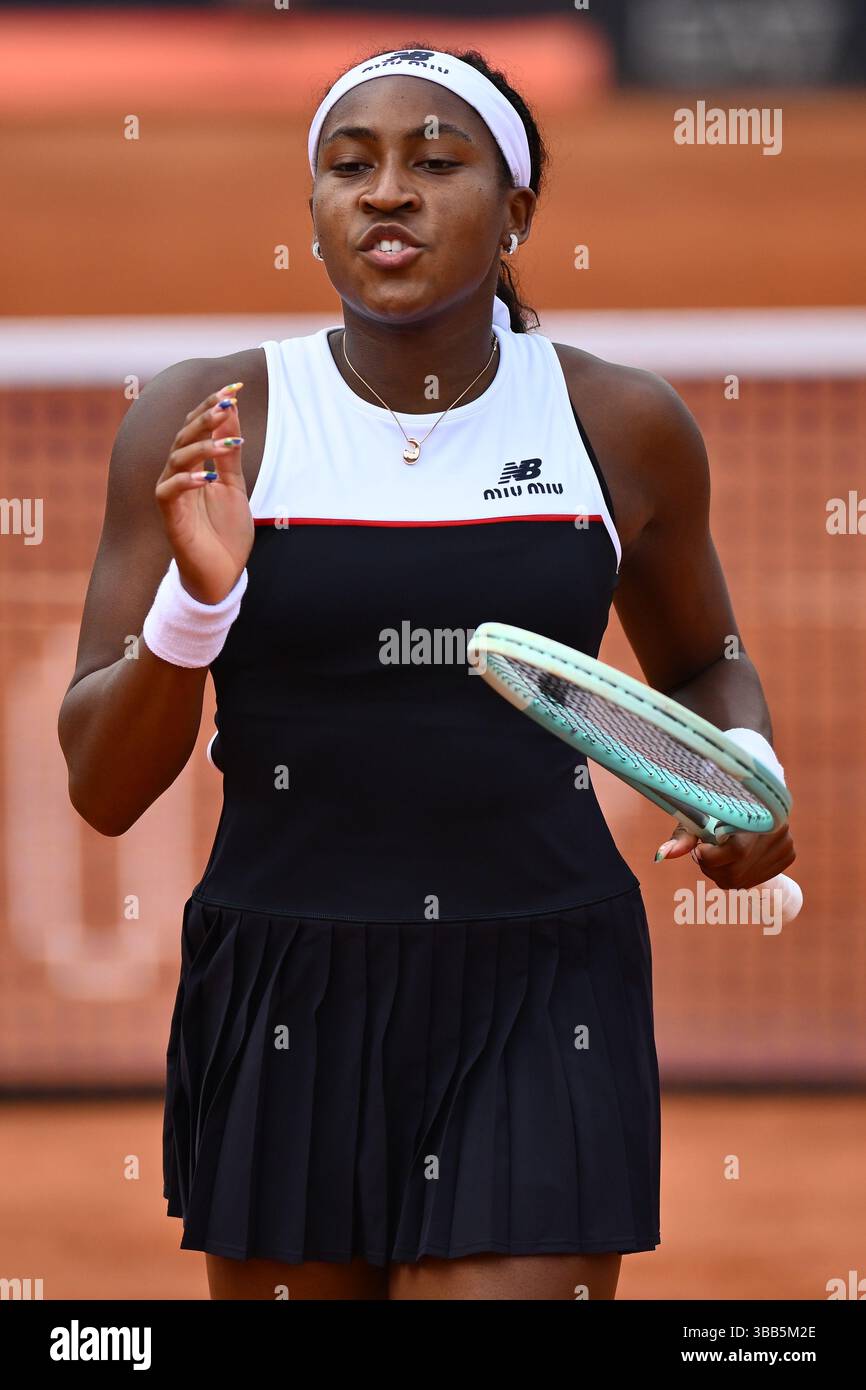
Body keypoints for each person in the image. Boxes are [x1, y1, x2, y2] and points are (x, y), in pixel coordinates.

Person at [57, 43, 795, 1301]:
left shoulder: (617, 425)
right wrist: (200, 598)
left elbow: (701, 664)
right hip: (286, 985)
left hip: (544, 987)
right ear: (315, 211)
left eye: (433, 163)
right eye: (351, 166)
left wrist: (749, 780)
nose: (385, 191)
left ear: (514, 214)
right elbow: (104, 786)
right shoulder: (215, 420)